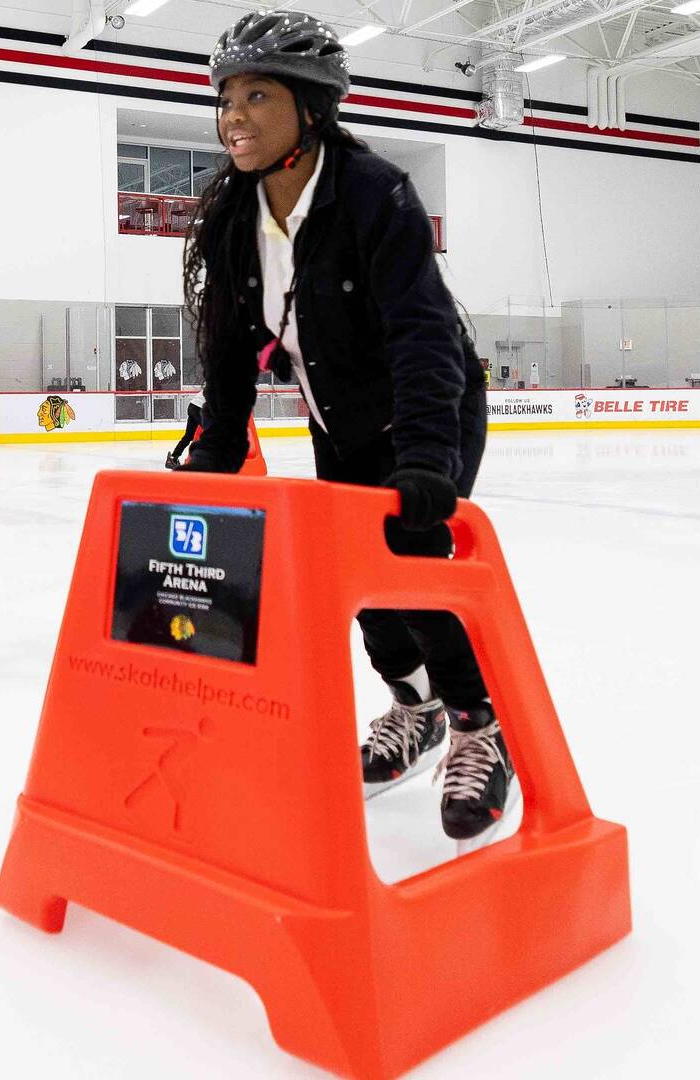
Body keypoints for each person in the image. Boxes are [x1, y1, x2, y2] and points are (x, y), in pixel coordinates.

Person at [180, 12, 508, 851]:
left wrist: (429, 458)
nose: (235, 116)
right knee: (352, 583)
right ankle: (414, 707)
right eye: (226, 99)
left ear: (313, 108)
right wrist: (217, 450)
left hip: (426, 408)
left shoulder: (374, 193)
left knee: (413, 562)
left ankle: (479, 724)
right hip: (342, 421)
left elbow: (422, 332)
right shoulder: (233, 216)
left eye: (258, 95)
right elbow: (226, 345)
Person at [165, 389, 207, 469]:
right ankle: (199, 460)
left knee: (188, 436)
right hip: (199, 408)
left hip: (193, 406)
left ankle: (173, 458)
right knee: (208, 434)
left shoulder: (215, 383)